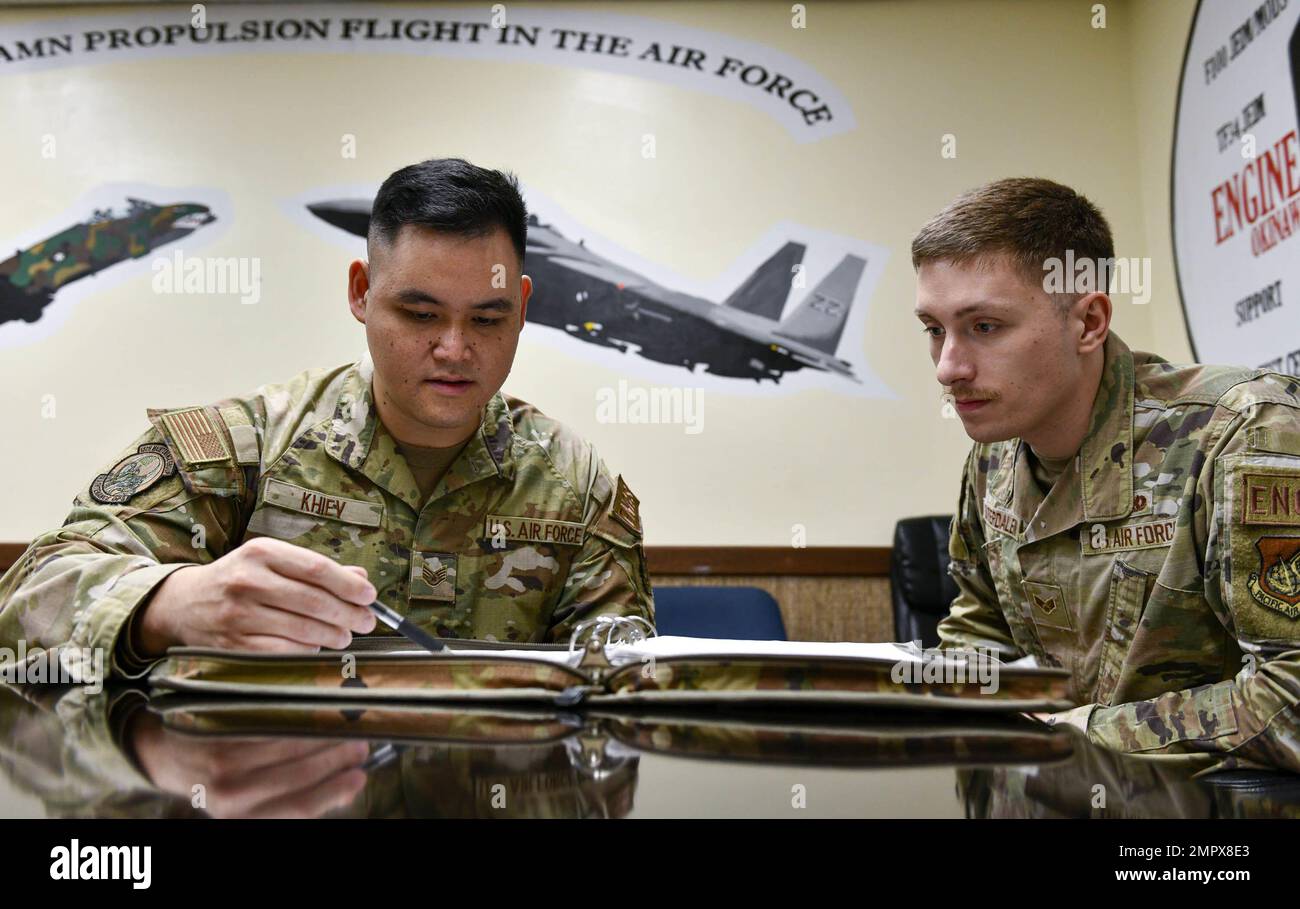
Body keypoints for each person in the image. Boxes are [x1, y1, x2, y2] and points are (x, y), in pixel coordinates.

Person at [0, 157, 654, 679]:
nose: (455, 348)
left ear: (523, 307)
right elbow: (27, 599)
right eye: (421, 314)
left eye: (488, 318)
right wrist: (164, 606)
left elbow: (623, 680)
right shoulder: (243, 447)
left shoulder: (577, 484)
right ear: (362, 293)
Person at [913, 177, 1300, 771]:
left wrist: (1079, 733)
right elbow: (979, 639)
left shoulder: (1240, 434)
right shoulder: (993, 455)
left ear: (1088, 323)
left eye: (984, 327)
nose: (948, 367)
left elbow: (1291, 701)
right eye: (935, 330)